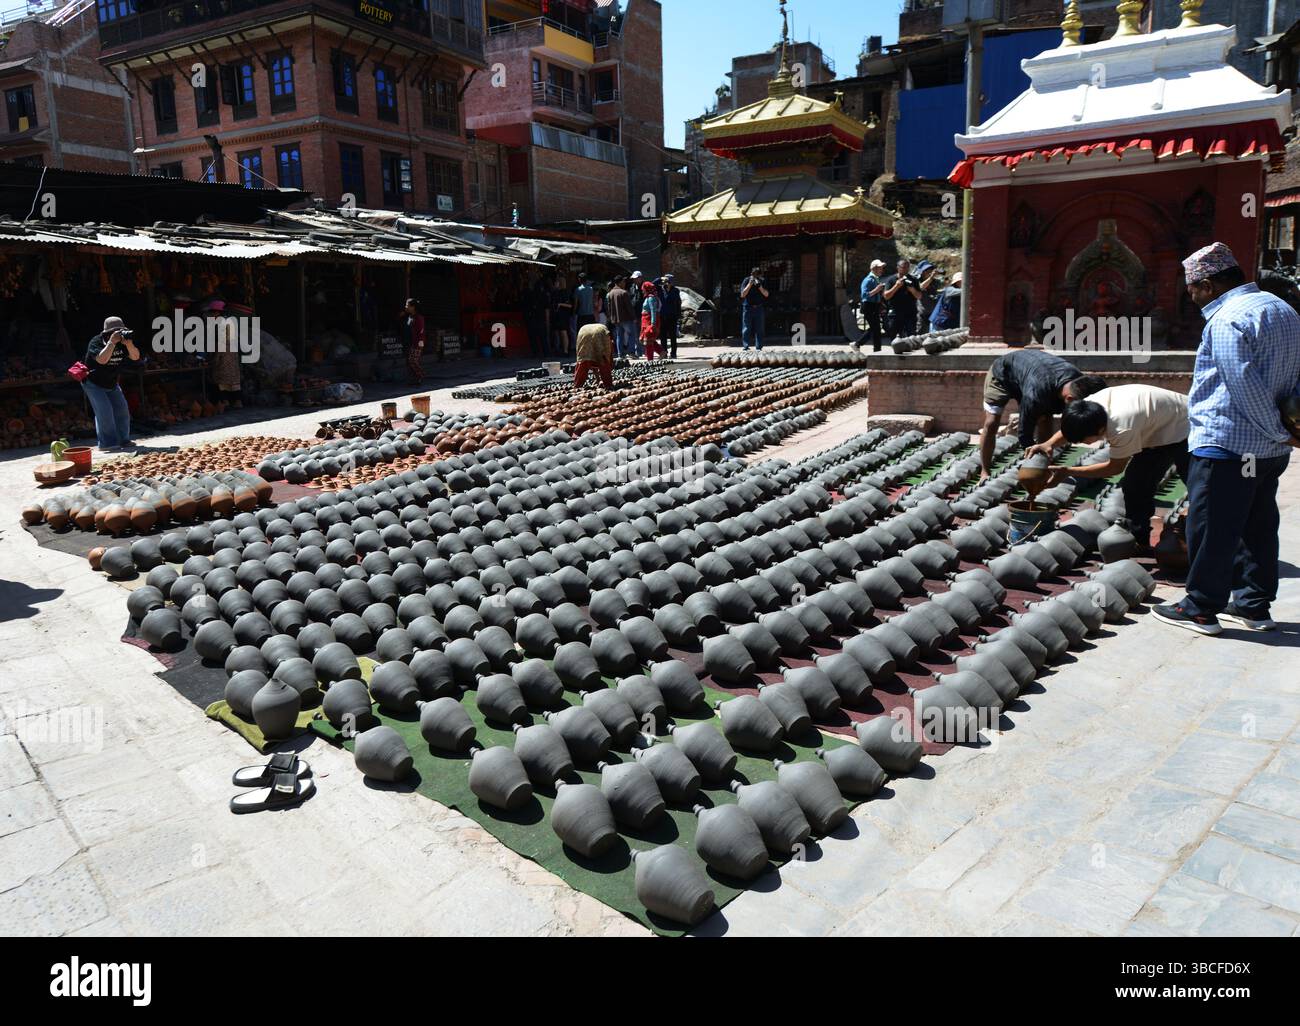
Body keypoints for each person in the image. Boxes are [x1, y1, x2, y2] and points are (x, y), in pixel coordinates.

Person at [1153, 242, 1300, 636]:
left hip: (1230, 444)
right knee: (1257, 525)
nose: (1193, 298)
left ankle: (1200, 607)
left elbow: (1243, 385)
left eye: (1193, 290)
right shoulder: (1282, 309)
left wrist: (1276, 430)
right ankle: (1253, 606)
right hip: (1268, 451)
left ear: (1210, 283)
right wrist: (1287, 432)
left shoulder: (1226, 320)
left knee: (1213, 527)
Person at [1029, 384, 1190, 552]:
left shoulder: (1121, 428)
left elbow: (1114, 468)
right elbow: (1071, 427)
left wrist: (1068, 471)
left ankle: (1201, 545)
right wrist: (1048, 444)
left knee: (1199, 491)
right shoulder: (1088, 407)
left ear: (1099, 430)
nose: (1082, 445)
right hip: (1153, 425)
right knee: (1136, 485)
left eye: (1084, 441)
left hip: (1185, 427)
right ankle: (1139, 540)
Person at [978, 348, 1107, 477]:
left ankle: (1045, 465)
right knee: (991, 423)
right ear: (1069, 399)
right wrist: (1032, 465)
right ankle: (985, 471)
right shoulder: (1035, 396)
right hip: (1003, 374)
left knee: (1045, 419)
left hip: (1034, 375)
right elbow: (1025, 434)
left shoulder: (1079, 382)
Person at [83, 315, 140, 453]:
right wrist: (111, 343)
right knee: (105, 412)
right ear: (107, 333)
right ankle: (107, 443)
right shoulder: (96, 342)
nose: (119, 335)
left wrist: (129, 344)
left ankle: (123, 440)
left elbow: (135, 357)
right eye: (116, 332)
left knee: (122, 410)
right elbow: (102, 360)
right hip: (93, 383)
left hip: (111, 382)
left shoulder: (123, 343)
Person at [206, 300, 243, 403]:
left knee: (221, 379)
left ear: (216, 312)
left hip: (224, 352)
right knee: (233, 379)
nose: (211, 315)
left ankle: (225, 402)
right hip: (232, 352)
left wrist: (215, 357)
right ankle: (237, 402)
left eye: (212, 313)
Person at [881, 259, 921, 341]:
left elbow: (919, 296)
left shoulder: (913, 280)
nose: (905, 269)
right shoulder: (891, 280)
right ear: (898, 268)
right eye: (903, 267)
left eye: (907, 267)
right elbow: (886, 296)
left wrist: (912, 289)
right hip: (895, 313)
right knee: (893, 336)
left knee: (911, 337)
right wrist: (896, 286)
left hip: (910, 313)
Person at [573, 321, 614, 389]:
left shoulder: (599, 328)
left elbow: (593, 361)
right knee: (603, 361)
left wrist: (598, 379)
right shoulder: (607, 335)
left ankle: (577, 385)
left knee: (583, 361)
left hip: (583, 334)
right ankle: (608, 385)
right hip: (599, 334)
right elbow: (606, 357)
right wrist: (609, 361)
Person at [858, 259, 886, 351]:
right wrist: (877, 290)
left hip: (874, 306)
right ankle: (858, 343)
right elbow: (864, 295)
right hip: (869, 306)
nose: (882, 270)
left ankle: (877, 349)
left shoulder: (875, 279)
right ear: (874, 269)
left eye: (882, 268)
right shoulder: (868, 280)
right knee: (875, 328)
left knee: (876, 328)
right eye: (880, 268)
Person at [740, 267, 768, 352]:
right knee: (746, 328)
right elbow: (742, 295)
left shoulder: (762, 281)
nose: (755, 276)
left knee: (759, 328)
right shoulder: (746, 280)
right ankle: (746, 347)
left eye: (757, 275)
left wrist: (760, 287)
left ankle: (758, 347)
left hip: (758, 307)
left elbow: (766, 294)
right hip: (748, 308)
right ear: (751, 274)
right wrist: (749, 284)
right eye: (754, 274)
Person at [606, 276, 634, 358]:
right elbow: (629, 307)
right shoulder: (624, 293)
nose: (624, 283)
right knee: (631, 334)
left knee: (619, 336)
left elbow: (609, 308)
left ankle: (620, 354)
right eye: (623, 282)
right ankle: (631, 352)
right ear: (620, 282)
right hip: (626, 318)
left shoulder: (610, 294)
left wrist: (611, 318)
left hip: (616, 319)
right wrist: (634, 317)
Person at [399, 298, 426, 384]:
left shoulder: (419, 317)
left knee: (413, 360)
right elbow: (407, 327)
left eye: (407, 305)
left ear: (413, 307)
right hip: (410, 342)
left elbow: (421, 330)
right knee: (410, 361)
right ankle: (414, 378)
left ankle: (420, 375)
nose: (406, 307)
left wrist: (420, 341)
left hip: (417, 342)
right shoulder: (410, 317)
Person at [523, 273, 550, 358]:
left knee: (533, 337)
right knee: (543, 337)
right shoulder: (544, 295)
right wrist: (547, 321)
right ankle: (546, 353)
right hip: (541, 318)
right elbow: (547, 309)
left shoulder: (529, 294)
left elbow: (526, 307)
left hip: (532, 318)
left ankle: (536, 352)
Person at [660, 274, 682, 360]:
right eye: (666, 282)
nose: (668, 283)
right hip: (663, 315)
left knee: (673, 335)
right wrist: (661, 279)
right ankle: (664, 352)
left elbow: (678, 303)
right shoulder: (661, 290)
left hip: (672, 316)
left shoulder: (676, 291)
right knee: (663, 336)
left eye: (669, 282)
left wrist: (678, 315)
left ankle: (673, 353)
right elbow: (653, 284)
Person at [640, 280, 663, 360]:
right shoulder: (649, 297)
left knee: (648, 340)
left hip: (649, 321)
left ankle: (650, 359)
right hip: (646, 320)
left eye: (643, 289)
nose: (642, 291)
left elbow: (653, 310)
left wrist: (653, 323)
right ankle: (661, 351)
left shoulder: (651, 298)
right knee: (648, 340)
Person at [550, 274, 572, 356]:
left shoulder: (565, 292)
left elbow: (570, 305)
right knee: (557, 333)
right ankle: (558, 349)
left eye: (557, 282)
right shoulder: (555, 292)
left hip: (563, 316)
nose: (555, 283)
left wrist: (560, 304)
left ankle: (566, 351)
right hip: (557, 316)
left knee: (563, 332)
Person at [917, 261, 940, 332]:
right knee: (920, 334)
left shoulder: (935, 281)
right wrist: (930, 278)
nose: (930, 272)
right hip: (922, 313)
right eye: (927, 270)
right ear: (923, 272)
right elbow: (920, 287)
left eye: (931, 270)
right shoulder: (917, 280)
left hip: (933, 313)